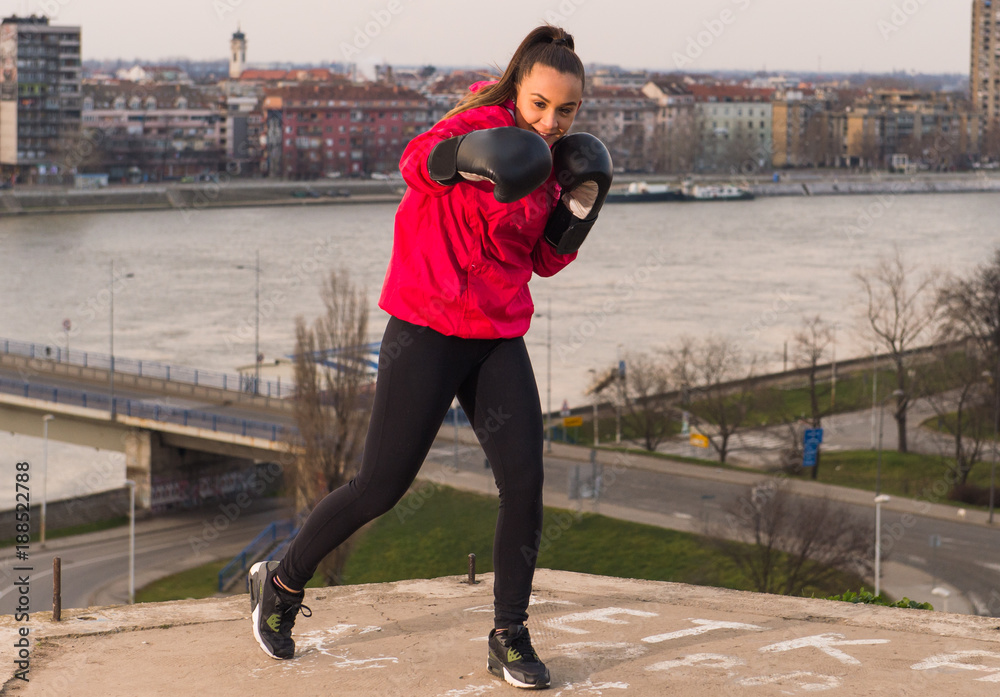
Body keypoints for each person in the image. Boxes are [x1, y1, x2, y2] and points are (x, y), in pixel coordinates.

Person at [248, 24, 612, 690]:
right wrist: (471, 152)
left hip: (497, 332)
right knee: (380, 486)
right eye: (539, 104)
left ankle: (509, 634)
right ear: (517, 89)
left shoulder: (555, 163)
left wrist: (577, 211)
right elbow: (415, 163)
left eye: (567, 110)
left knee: (525, 480)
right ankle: (279, 581)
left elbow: (540, 260)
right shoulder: (479, 120)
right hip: (427, 326)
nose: (551, 121)